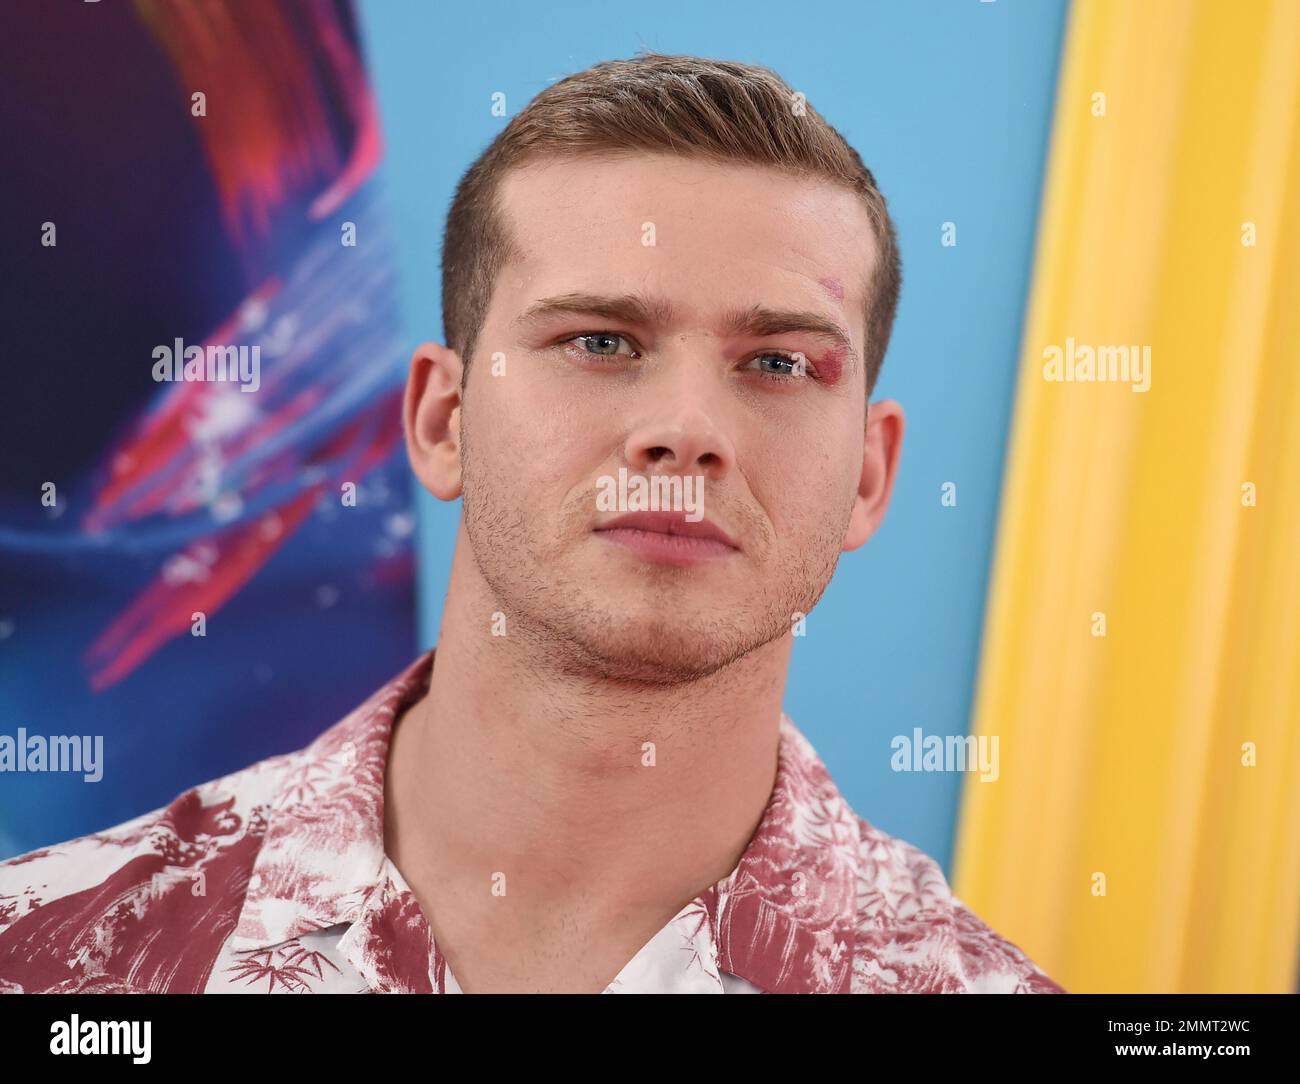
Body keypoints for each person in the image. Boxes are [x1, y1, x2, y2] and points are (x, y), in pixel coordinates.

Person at [0, 52, 1063, 994]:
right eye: (600, 342)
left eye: (778, 364)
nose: (685, 430)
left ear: (871, 474)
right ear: (442, 419)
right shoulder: (42, 956)